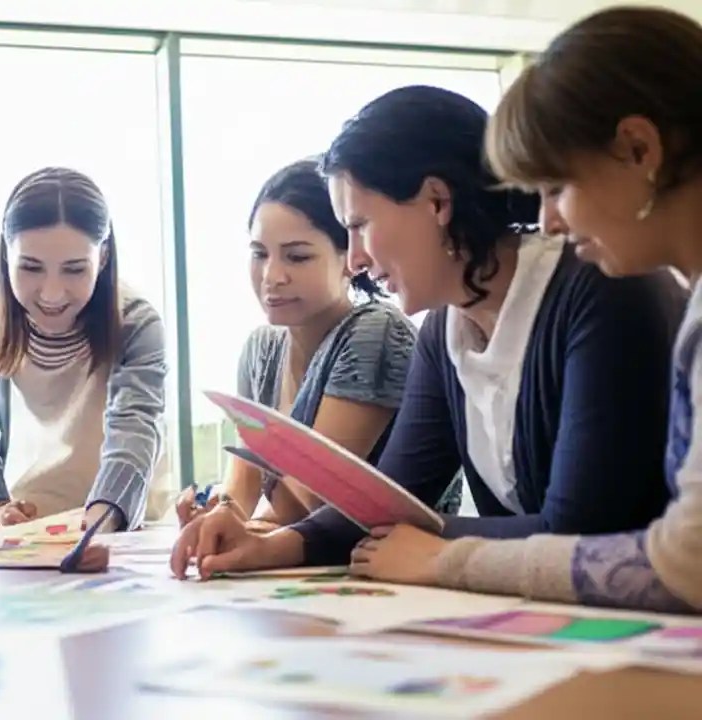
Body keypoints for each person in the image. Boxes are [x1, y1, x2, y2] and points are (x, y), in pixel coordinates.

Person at [173, 85, 684, 579]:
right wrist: (266, 545)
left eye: (359, 226)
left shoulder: (601, 289)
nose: (356, 259)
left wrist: (432, 545)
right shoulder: (444, 330)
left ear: (437, 201)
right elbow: (386, 500)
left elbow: (582, 529)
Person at [352, 6, 702, 614]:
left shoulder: (603, 293)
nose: (548, 220)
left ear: (639, 149)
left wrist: (444, 559)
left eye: (557, 187)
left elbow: (684, 560)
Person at [174, 159, 417, 531]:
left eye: (297, 256)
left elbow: (305, 507)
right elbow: (239, 494)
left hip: (383, 564)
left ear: (349, 259)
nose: (272, 276)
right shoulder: (261, 350)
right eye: (259, 253)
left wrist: (229, 528)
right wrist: (211, 515)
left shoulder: (375, 333)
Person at [0, 166, 171, 533]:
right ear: (6, 255)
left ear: (101, 259)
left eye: (74, 270)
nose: (52, 293)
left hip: (126, 526)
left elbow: (134, 428)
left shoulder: (136, 324)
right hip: (27, 530)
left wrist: (100, 521)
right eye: (31, 268)